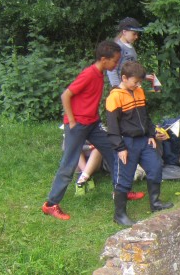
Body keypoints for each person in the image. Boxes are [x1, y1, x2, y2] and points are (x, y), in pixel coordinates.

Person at [42, 41, 121, 221]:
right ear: (103, 59)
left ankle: (121, 191)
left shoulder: (101, 74)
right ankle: (50, 204)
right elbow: (66, 95)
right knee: (69, 163)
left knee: (113, 150)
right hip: (78, 125)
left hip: (92, 123)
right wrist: (71, 121)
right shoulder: (89, 74)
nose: (116, 65)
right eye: (114, 62)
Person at [105, 60, 174, 227]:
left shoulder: (140, 92)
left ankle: (155, 203)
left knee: (155, 166)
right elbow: (112, 127)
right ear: (124, 78)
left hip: (144, 140)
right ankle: (119, 214)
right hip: (126, 143)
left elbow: (145, 117)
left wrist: (151, 134)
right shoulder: (114, 98)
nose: (138, 85)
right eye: (136, 82)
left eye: (140, 82)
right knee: (124, 178)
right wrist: (120, 147)